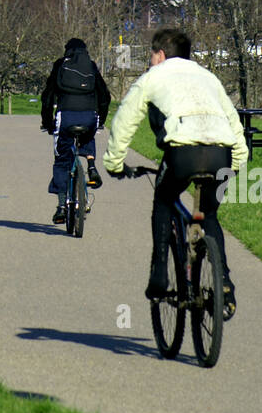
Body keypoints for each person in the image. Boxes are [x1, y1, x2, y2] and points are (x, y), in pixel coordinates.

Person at [103, 27, 248, 317]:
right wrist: (236, 163)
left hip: (183, 152)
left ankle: (159, 274)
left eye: (151, 55)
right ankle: (224, 284)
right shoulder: (209, 78)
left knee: (164, 199)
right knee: (208, 215)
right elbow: (234, 123)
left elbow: (125, 121)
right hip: (222, 152)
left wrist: (115, 162)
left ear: (160, 54)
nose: (150, 61)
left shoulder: (152, 77)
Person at [41, 38, 112, 225]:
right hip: (89, 117)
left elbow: (47, 97)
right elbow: (104, 96)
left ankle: (61, 207)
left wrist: (47, 122)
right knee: (88, 134)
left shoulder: (60, 66)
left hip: (66, 117)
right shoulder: (91, 66)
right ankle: (91, 165)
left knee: (62, 159)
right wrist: (100, 121)